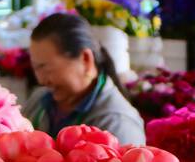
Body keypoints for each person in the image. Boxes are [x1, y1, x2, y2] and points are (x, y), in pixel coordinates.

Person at [24, 12, 145, 146]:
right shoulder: (39, 101)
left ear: (86, 59)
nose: (41, 80)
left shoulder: (117, 123)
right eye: (36, 68)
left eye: (46, 68)